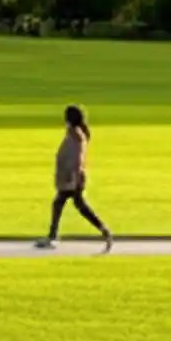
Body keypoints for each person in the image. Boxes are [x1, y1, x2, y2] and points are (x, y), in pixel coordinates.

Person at [35, 106, 113, 252]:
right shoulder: (74, 134)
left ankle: (52, 237)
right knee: (76, 206)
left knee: (63, 204)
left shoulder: (76, 136)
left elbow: (77, 158)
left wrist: (74, 177)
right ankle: (104, 231)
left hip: (72, 178)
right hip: (72, 177)